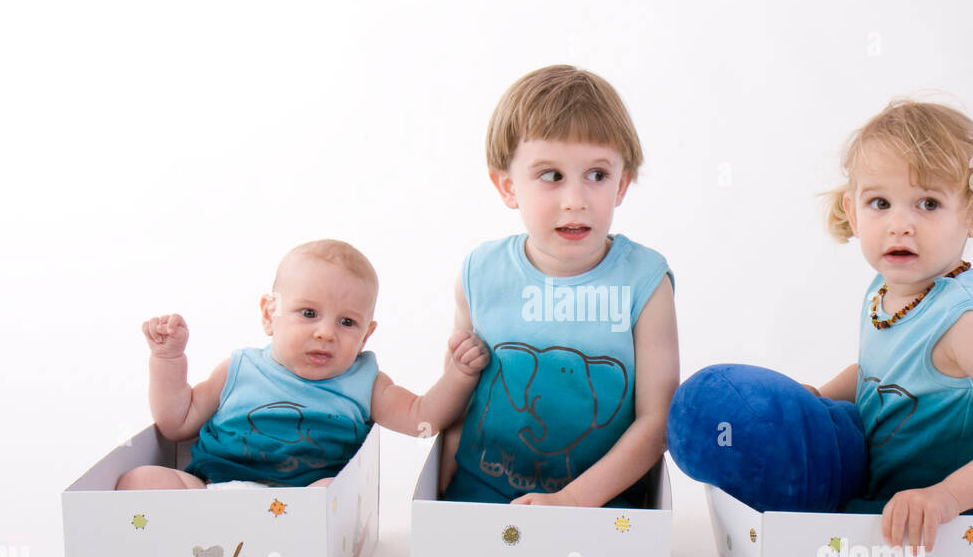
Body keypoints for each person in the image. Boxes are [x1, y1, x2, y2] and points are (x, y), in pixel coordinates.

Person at [813, 100, 973, 551]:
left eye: (928, 203)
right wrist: (815, 399)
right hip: (885, 499)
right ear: (852, 210)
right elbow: (879, 372)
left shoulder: (967, 321)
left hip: (944, 526)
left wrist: (947, 497)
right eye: (880, 203)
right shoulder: (883, 290)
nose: (900, 225)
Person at [438, 65, 679, 507]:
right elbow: (459, 401)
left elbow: (657, 420)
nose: (576, 199)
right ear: (508, 187)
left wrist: (570, 501)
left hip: (602, 497)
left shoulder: (645, 283)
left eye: (598, 175)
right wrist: (441, 480)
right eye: (551, 176)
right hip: (482, 489)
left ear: (622, 184)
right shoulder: (481, 273)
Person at [117, 239, 488, 489]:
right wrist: (167, 359)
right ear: (270, 313)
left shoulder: (364, 381)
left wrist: (460, 373)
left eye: (347, 322)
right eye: (308, 313)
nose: (326, 333)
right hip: (213, 489)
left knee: (330, 493)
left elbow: (422, 421)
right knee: (139, 480)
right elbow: (175, 422)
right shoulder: (238, 369)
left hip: (301, 506)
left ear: (366, 335)